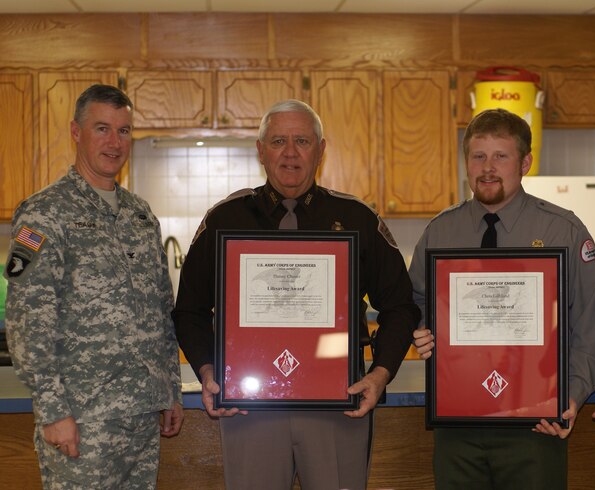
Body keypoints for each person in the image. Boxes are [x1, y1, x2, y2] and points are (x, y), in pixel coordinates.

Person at [173, 99, 420, 490]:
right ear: (260, 151)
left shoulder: (357, 218)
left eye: (302, 141)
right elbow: (190, 310)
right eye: (278, 141)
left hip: (338, 405)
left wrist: (379, 375)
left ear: (321, 150)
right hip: (248, 406)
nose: (290, 153)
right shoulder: (225, 219)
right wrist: (207, 371)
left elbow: (400, 307)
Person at [409, 108, 595, 489]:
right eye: (478, 156)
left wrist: (572, 394)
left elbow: (592, 324)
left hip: (537, 422)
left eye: (501, 156)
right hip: (457, 421)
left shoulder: (562, 230)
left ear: (525, 162)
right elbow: (414, 300)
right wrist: (421, 328)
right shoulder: (441, 230)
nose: (487, 168)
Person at [4, 84, 183, 489]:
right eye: (102, 128)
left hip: (141, 415)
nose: (114, 142)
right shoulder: (44, 214)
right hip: (82, 418)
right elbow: (26, 320)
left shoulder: (141, 215)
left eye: (123, 131)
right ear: (76, 131)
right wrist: (52, 411)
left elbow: (160, 308)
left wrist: (170, 389)